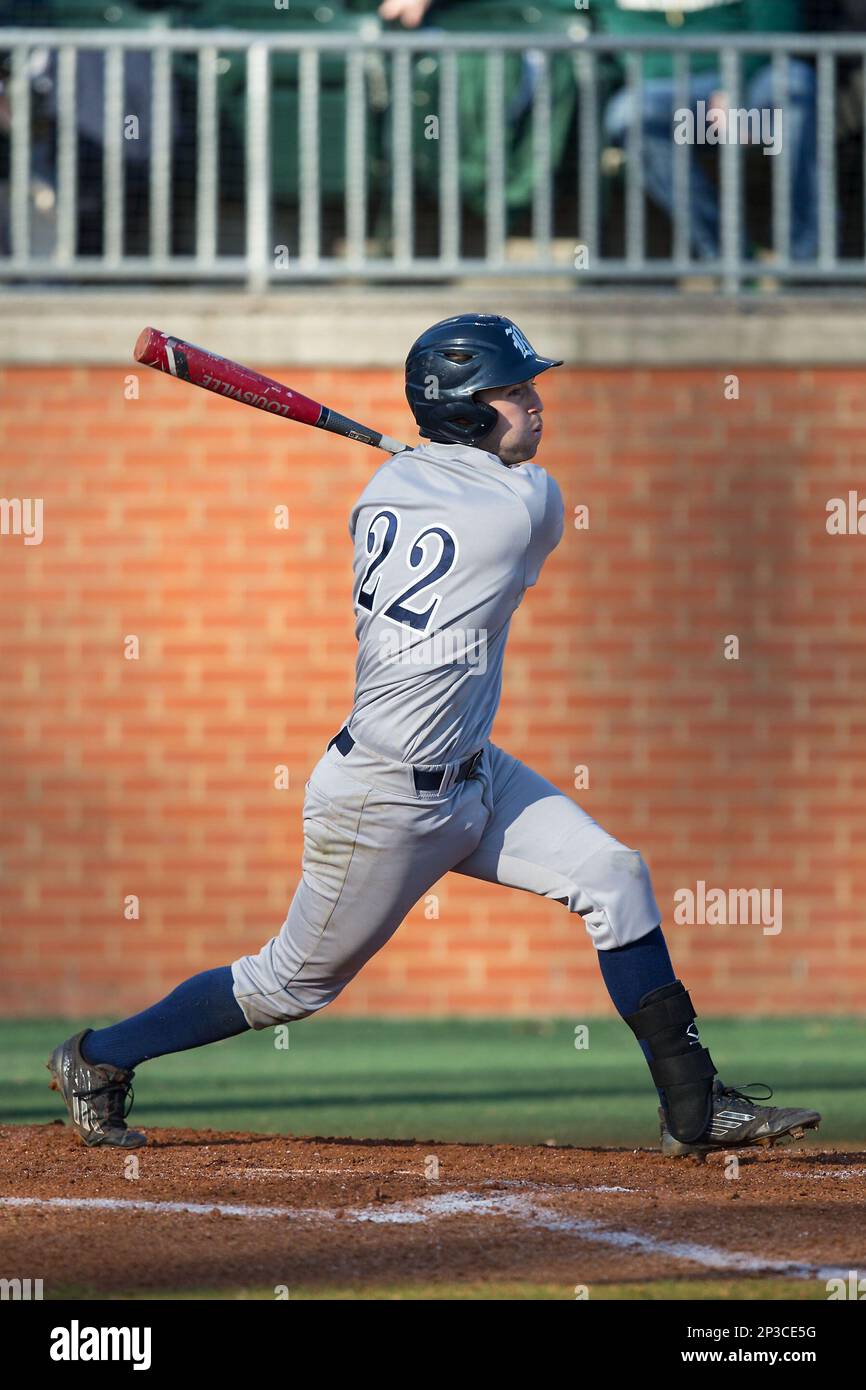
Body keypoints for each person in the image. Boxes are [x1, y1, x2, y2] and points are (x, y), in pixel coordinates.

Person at [48, 314, 821, 1159]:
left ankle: (695, 1109)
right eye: (513, 391)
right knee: (287, 986)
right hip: (384, 799)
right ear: (464, 410)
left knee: (614, 876)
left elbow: (436, 504)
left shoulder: (381, 492)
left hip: (475, 770)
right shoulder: (527, 506)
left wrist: (441, 463)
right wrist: (454, 468)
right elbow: (497, 502)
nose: (534, 405)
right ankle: (100, 1056)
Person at [593, 0, 818, 264]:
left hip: (751, 80)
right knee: (628, 114)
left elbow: (777, 28)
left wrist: (734, 88)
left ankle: (804, 253)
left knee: (793, 81)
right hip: (666, 96)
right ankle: (729, 258)